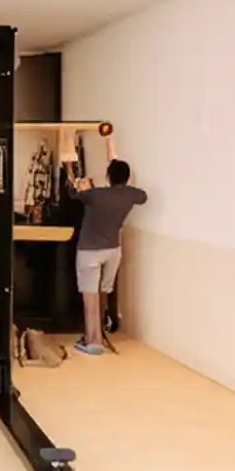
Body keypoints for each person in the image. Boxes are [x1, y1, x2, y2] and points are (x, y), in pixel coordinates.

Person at [70, 137, 146, 355]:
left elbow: (76, 195)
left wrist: (79, 184)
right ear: (127, 178)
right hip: (113, 250)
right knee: (104, 290)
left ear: (108, 177)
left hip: (89, 251)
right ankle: (100, 329)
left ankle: (93, 341)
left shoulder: (95, 195)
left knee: (90, 295)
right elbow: (143, 196)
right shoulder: (131, 195)